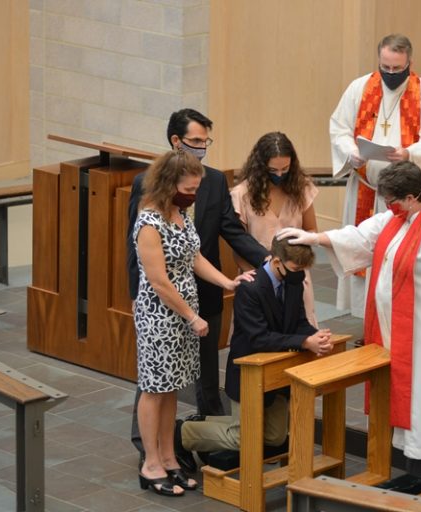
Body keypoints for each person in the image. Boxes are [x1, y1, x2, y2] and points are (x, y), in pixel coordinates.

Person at [278, 161, 421, 500]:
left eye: (392, 201)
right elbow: (362, 236)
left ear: (411, 195)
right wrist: (315, 237)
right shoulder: (402, 216)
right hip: (402, 339)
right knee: (411, 422)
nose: (387, 209)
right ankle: (413, 490)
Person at [128, 109, 269, 457]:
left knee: (202, 372)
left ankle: (203, 442)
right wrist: (135, 294)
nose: (202, 148)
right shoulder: (146, 188)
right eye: (196, 142)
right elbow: (137, 253)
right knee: (156, 379)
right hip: (161, 303)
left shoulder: (215, 180)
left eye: (206, 141)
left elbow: (226, 234)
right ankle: (147, 448)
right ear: (176, 142)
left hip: (203, 293)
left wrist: (266, 259)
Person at [133, 150, 254, 496]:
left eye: (196, 188)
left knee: (173, 389)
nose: (194, 194)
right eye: (189, 188)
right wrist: (192, 316)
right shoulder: (149, 223)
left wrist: (227, 282)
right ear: (169, 184)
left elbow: (195, 257)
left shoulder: (180, 214)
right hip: (160, 317)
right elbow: (159, 281)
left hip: (187, 313)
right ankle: (151, 462)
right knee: (155, 389)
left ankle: (170, 458)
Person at [175, 236, 333, 460]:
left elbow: (298, 321)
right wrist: (304, 343)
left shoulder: (293, 281)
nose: (301, 274)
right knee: (242, 437)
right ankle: (182, 433)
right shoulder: (250, 289)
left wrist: (313, 334)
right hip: (248, 371)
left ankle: (203, 422)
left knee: (276, 436)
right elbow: (259, 338)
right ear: (277, 261)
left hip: (277, 372)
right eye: (297, 268)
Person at [329, 33, 421, 317]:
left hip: (405, 194)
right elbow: (339, 128)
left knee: (397, 256)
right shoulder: (360, 88)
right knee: (365, 254)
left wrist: (409, 153)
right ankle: (366, 319)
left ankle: (396, 317)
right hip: (365, 188)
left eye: (397, 68)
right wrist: (351, 152)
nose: (391, 74)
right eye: (386, 68)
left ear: (409, 62)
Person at [230, 132, 320, 326]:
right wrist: (260, 279)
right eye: (273, 170)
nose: (279, 175)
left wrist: (299, 250)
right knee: (263, 334)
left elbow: (311, 229)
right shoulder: (242, 194)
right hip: (259, 276)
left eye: (285, 169)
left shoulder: (301, 187)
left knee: (301, 332)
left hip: (295, 273)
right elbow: (238, 245)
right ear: (260, 166)